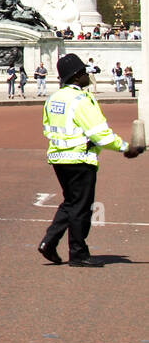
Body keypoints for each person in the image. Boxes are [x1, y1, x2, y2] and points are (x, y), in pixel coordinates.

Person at [38, 53, 143, 267]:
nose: (88, 75)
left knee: (70, 203)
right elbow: (99, 134)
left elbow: (47, 128)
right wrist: (125, 147)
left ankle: (49, 242)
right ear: (77, 76)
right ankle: (78, 253)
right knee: (81, 208)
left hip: (58, 157)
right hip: (80, 158)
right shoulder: (82, 100)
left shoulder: (53, 99)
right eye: (85, 72)